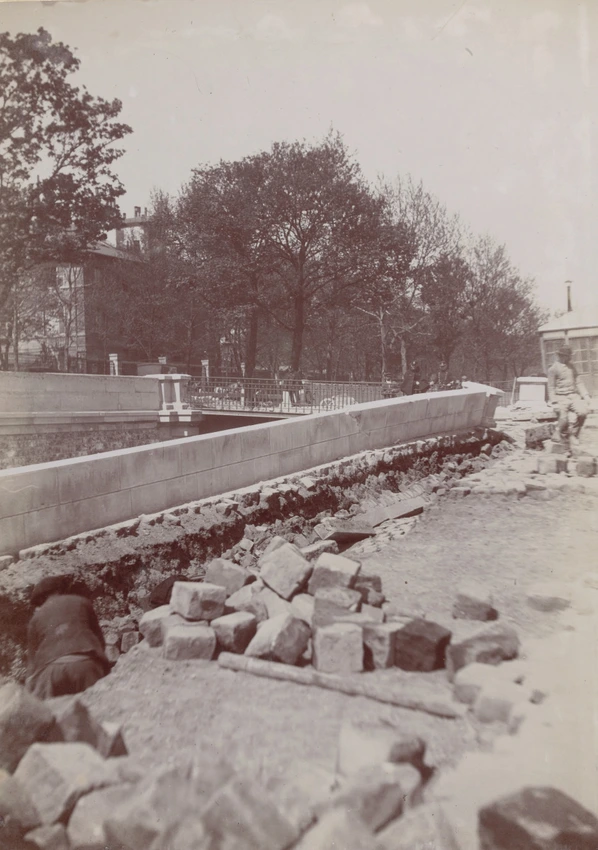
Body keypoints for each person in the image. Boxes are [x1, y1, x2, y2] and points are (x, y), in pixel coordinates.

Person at [25, 575, 111, 699]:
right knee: (98, 708)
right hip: (85, 664)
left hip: (51, 672)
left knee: (52, 715)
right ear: (61, 590)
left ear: (42, 598)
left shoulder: (35, 619)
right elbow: (100, 642)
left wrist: (29, 693)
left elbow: (32, 665)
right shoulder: (82, 602)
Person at [547, 345, 591, 454]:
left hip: (573, 395)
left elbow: (578, 382)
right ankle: (562, 440)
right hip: (560, 397)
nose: (568, 358)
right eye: (566, 356)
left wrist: (585, 395)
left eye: (569, 356)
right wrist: (554, 402)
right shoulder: (553, 369)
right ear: (560, 356)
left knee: (583, 412)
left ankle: (574, 434)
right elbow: (551, 387)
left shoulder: (572, 367)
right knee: (563, 419)